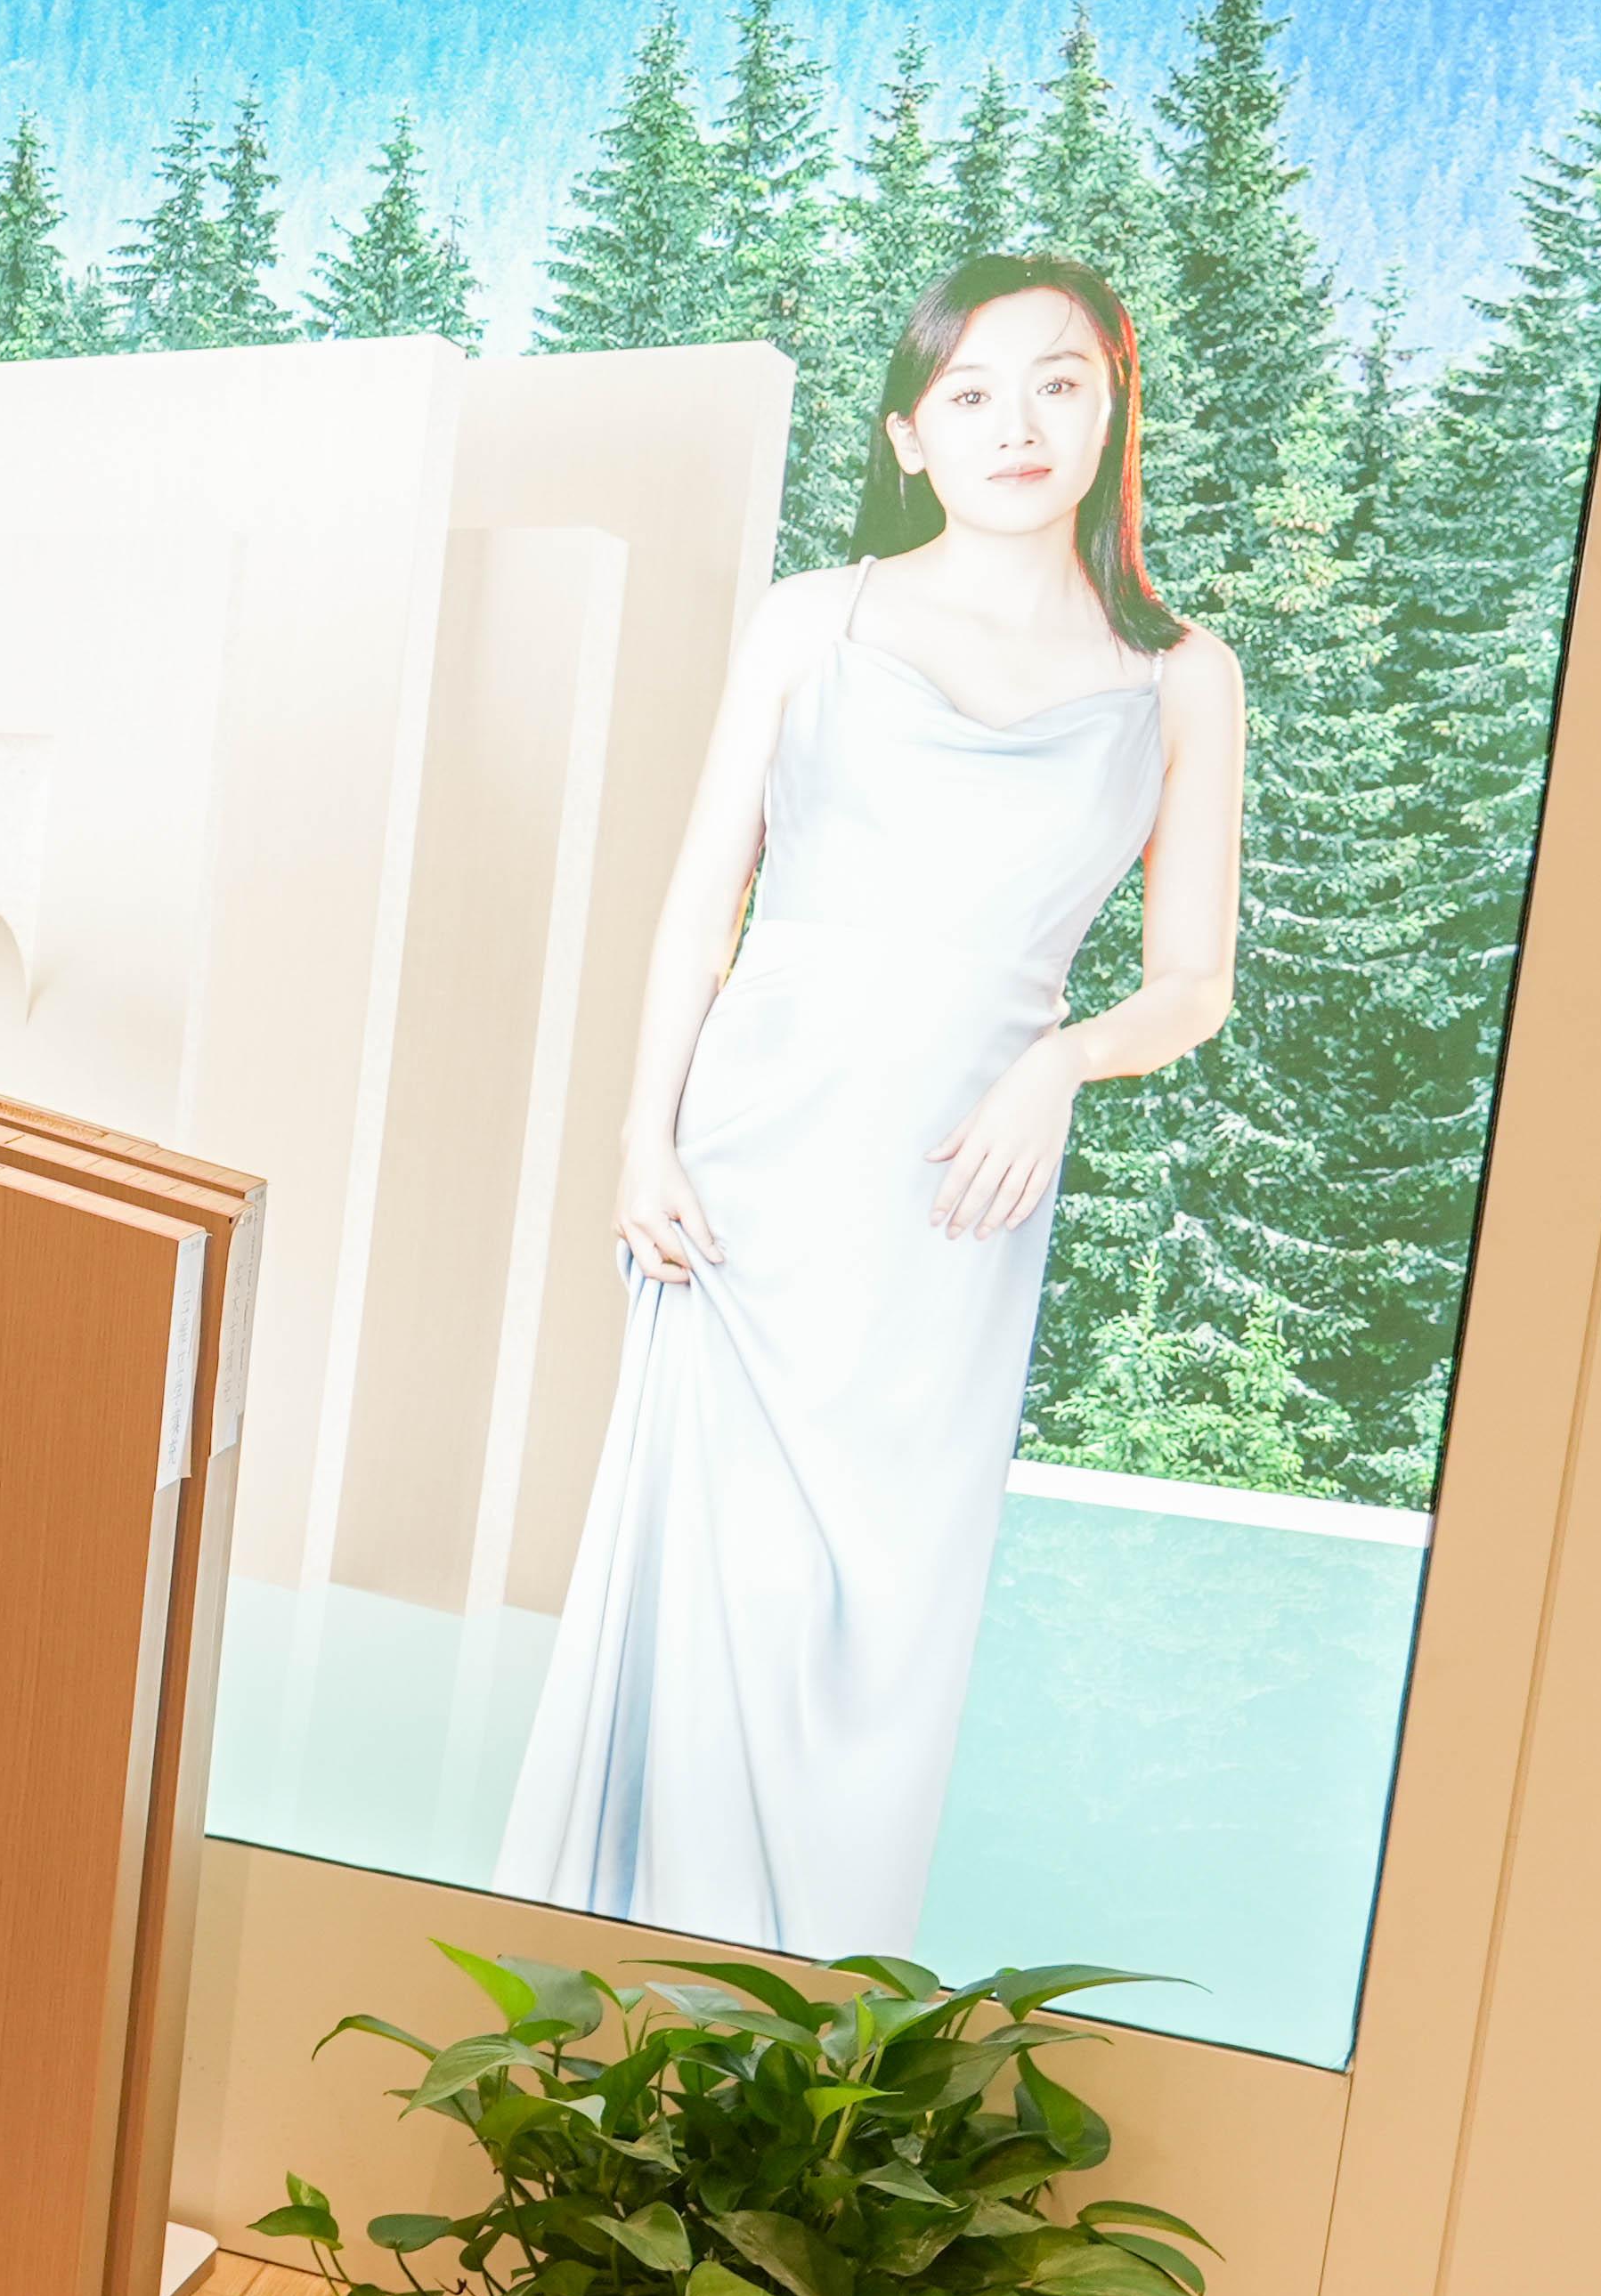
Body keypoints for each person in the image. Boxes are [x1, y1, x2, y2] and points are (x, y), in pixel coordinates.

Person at [498, 251, 1249, 1949]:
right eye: (970, 393)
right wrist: (640, 1138)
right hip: (751, 1170)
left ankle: (804, 2012)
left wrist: (1060, 1060)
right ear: (911, 435)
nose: (1016, 425)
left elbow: (1191, 983)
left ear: (1112, 411)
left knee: (885, 1626)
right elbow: (705, 902)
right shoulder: (814, 619)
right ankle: (645, 1999)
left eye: (1057, 383)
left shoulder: (1181, 673)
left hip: (954, 1199)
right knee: (723, 1593)